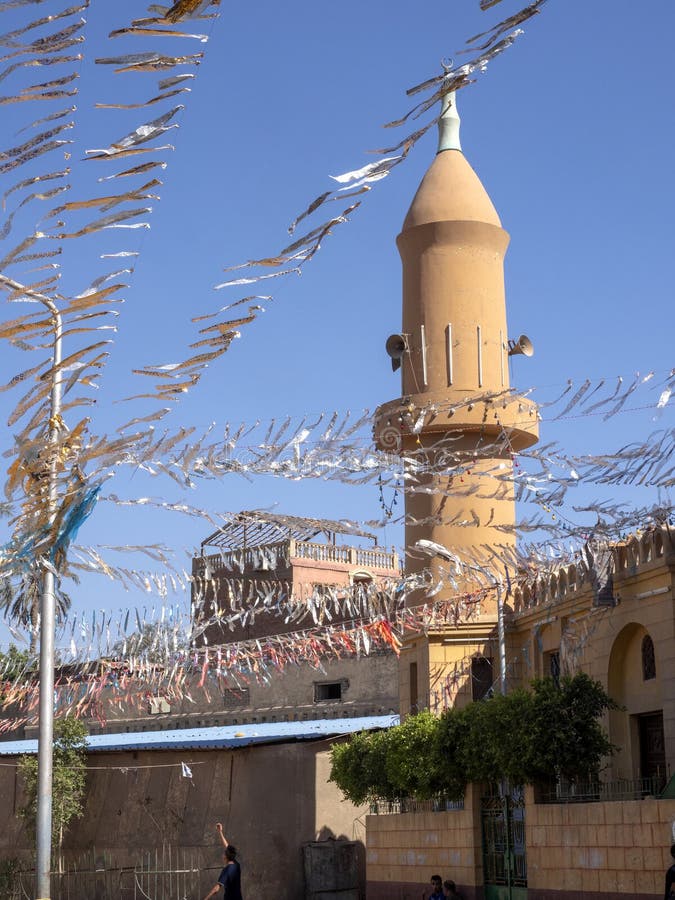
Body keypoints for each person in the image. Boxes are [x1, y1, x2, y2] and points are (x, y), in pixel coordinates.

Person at [203, 823, 243, 900]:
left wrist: (206, 898)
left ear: (226, 856)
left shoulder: (227, 870)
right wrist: (220, 832)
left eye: (224, 853)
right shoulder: (237, 865)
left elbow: (216, 889)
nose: (222, 855)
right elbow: (227, 846)